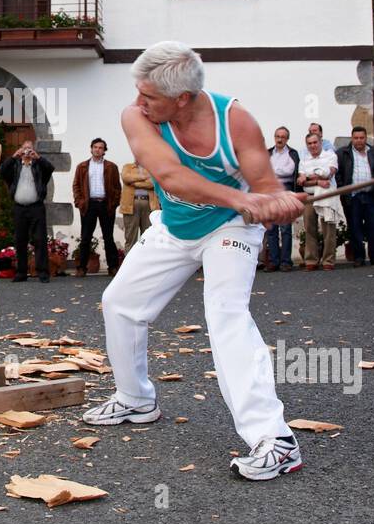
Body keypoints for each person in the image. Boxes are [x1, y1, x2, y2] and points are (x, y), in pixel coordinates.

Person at [83, 42, 306, 482]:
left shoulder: (235, 121)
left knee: (225, 315)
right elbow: (169, 175)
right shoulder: (136, 116)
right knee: (120, 302)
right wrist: (242, 197)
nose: (138, 103)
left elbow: (264, 185)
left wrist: (279, 203)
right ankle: (135, 399)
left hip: (230, 228)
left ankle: (275, 440)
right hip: (176, 225)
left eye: (149, 97)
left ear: (182, 98)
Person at [0, 140, 55, 283]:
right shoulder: (15, 166)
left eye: (29, 149)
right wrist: (13, 157)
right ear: (20, 150)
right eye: (24, 149)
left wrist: (38, 158)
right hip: (19, 208)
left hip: (36, 207)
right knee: (20, 240)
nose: (27, 152)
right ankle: (21, 272)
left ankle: (42, 273)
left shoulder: (39, 167)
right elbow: (2, 171)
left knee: (40, 239)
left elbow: (50, 168)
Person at [335, 125, 374, 266]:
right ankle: (359, 257)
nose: (359, 141)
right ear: (352, 138)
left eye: (361, 138)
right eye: (356, 138)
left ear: (366, 138)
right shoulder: (343, 153)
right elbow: (338, 174)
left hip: (372, 195)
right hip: (353, 197)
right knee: (355, 227)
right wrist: (343, 189)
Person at [72, 138, 121, 276]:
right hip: (89, 205)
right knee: (86, 237)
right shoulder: (82, 166)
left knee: (108, 237)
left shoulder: (111, 167)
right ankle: (81, 267)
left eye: (100, 147)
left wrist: (114, 203)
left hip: (106, 204)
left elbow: (117, 187)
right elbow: (76, 185)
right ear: (91, 148)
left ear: (104, 151)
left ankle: (112, 267)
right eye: (95, 147)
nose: (97, 149)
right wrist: (79, 202)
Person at [298, 132, 341, 271]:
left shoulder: (331, 156)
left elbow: (329, 175)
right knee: (310, 229)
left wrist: (309, 177)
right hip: (309, 196)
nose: (313, 146)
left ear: (320, 142)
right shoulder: (304, 160)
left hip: (327, 196)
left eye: (315, 142)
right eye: (309, 143)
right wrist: (317, 180)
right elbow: (302, 183)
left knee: (328, 228)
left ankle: (328, 261)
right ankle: (311, 261)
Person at [264, 126, 300, 271]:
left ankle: (285, 261)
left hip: (285, 191)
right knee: (271, 229)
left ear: (287, 139)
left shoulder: (292, 153)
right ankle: (273, 261)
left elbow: (289, 171)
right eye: (277, 136)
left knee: (285, 228)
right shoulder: (268, 153)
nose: (280, 139)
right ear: (274, 137)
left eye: (283, 137)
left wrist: (274, 171)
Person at [120, 160, 158, 252]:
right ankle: (129, 264)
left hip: (149, 205)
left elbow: (153, 183)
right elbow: (126, 178)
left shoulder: (152, 168)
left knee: (147, 237)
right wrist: (145, 178)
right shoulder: (127, 167)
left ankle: (146, 263)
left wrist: (135, 182)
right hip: (130, 204)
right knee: (130, 236)